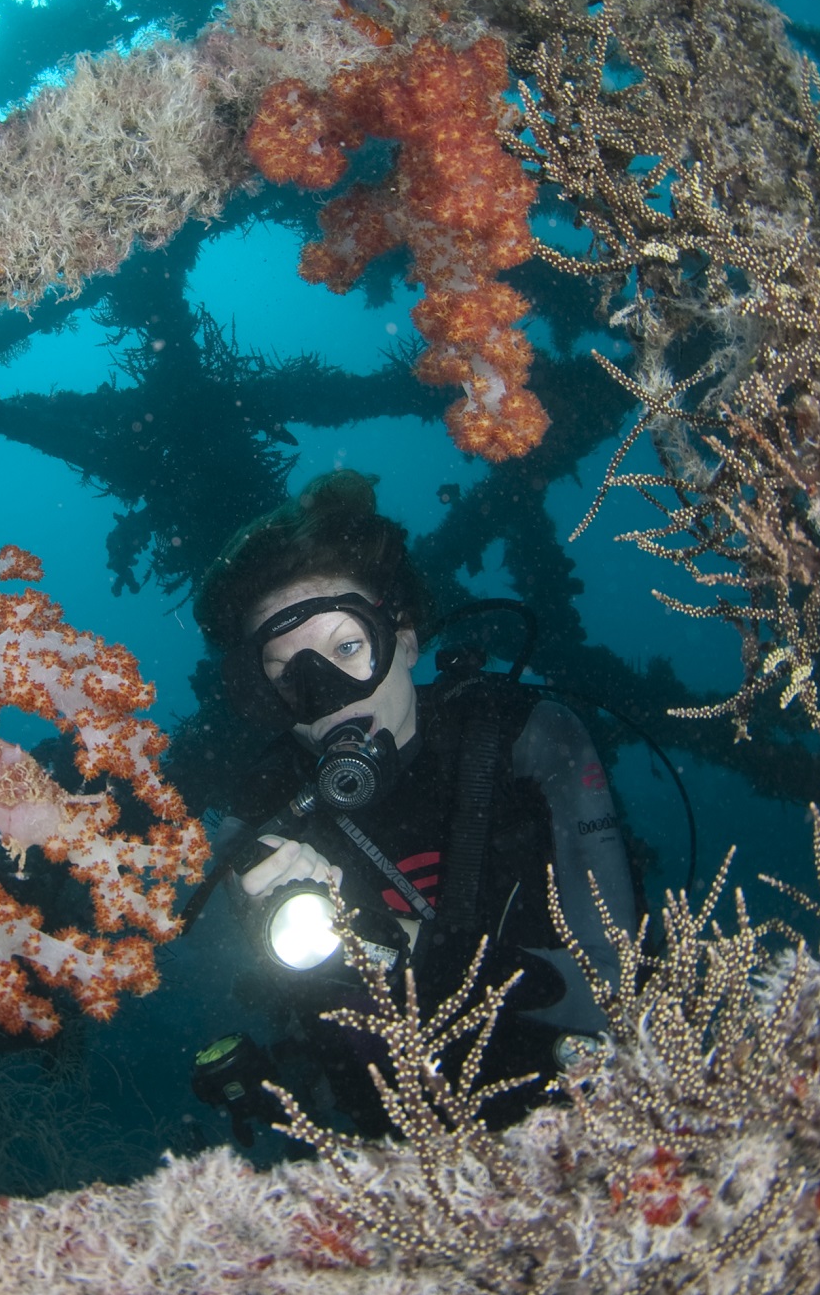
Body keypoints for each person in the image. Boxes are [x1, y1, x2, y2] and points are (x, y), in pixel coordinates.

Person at [186, 473, 638, 1144]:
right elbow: (293, 1010)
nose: (333, 696)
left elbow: (610, 999)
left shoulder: (529, 741)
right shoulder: (262, 820)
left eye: (347, 648)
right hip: (399, 1153)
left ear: (402, 637)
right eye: (293, 676)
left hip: (581, 1120)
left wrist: (394, 944)